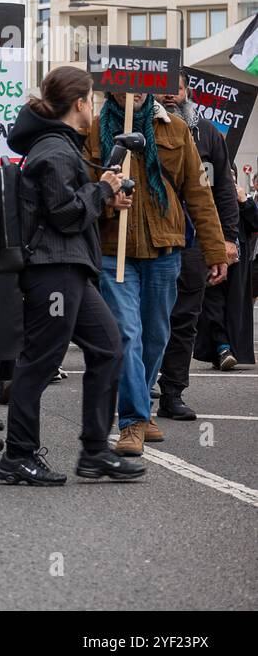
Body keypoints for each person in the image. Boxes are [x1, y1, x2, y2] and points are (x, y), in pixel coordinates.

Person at [0, 67, 144, 484]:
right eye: (92, 99)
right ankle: (18, 457)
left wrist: (104, 198)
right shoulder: (55, 152)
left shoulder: (59, 147)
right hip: (52, 272)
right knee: (39, 363)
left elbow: (62, 209)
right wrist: (101, 191)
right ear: (79, 103)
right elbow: (63, 215)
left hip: (69, 269)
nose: (94, 106)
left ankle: (95, 452)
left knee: (109, 348)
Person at [84, 91, 226, 457]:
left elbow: (199, 192)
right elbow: (82, 187)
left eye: (139, 85)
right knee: (128, 333)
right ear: (111, 87)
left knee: (157, 335)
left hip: (165, 249)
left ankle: (143, 408)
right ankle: (132, 421)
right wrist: (106, 198)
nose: (132, 91)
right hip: (114, 252)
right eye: (123, 85)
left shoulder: (176, 129)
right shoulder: (96, 130)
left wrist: (215, 249)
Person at [156, 74, 239, 422]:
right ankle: (140, 384)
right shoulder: (136, 128)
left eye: (176, 87)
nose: (170, 94)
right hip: (151, 239)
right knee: (148, 316)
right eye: (162, 87)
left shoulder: (208, 134)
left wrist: (227, 239)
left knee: (185, 318)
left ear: (187, 90)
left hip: (191, 242)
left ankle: (173, 391)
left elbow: (219, 192)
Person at [194, 176, 258, 376]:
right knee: (212, 304)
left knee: (234, 307)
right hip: (211, 256)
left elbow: (255, 223)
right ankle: (222, 347)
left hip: (238, 262)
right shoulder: (206, 197)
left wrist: (245, 202)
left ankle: (225, 350)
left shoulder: (241, 198)